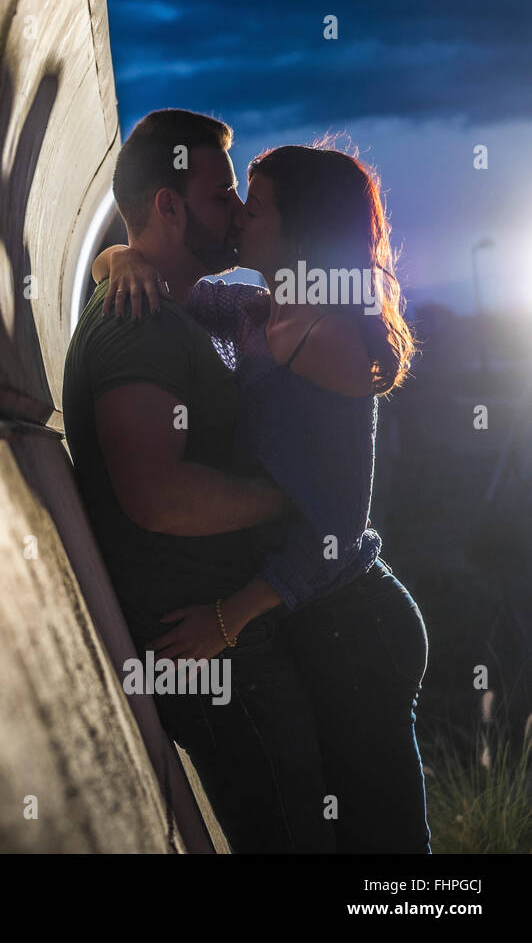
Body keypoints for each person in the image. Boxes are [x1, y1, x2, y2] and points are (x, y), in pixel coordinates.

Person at [91, 138, 430, 853]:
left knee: (389, 856)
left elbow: (335, 527)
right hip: (318, 623)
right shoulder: (253, 311)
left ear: (300, 228)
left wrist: (227, 617)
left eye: (257, 201)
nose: (239, 213)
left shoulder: (330, 340)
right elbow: (165, 282)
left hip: (354, 625)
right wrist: (118, 259)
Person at [62, 109, 332, 852]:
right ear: (169, 207)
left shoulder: (175, 306)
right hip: (213, 659)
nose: (238, 211)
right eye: (221, 196)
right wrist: (291, 496)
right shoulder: (139, 324)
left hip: (225, 648)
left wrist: (115, 256)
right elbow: (158, 496)